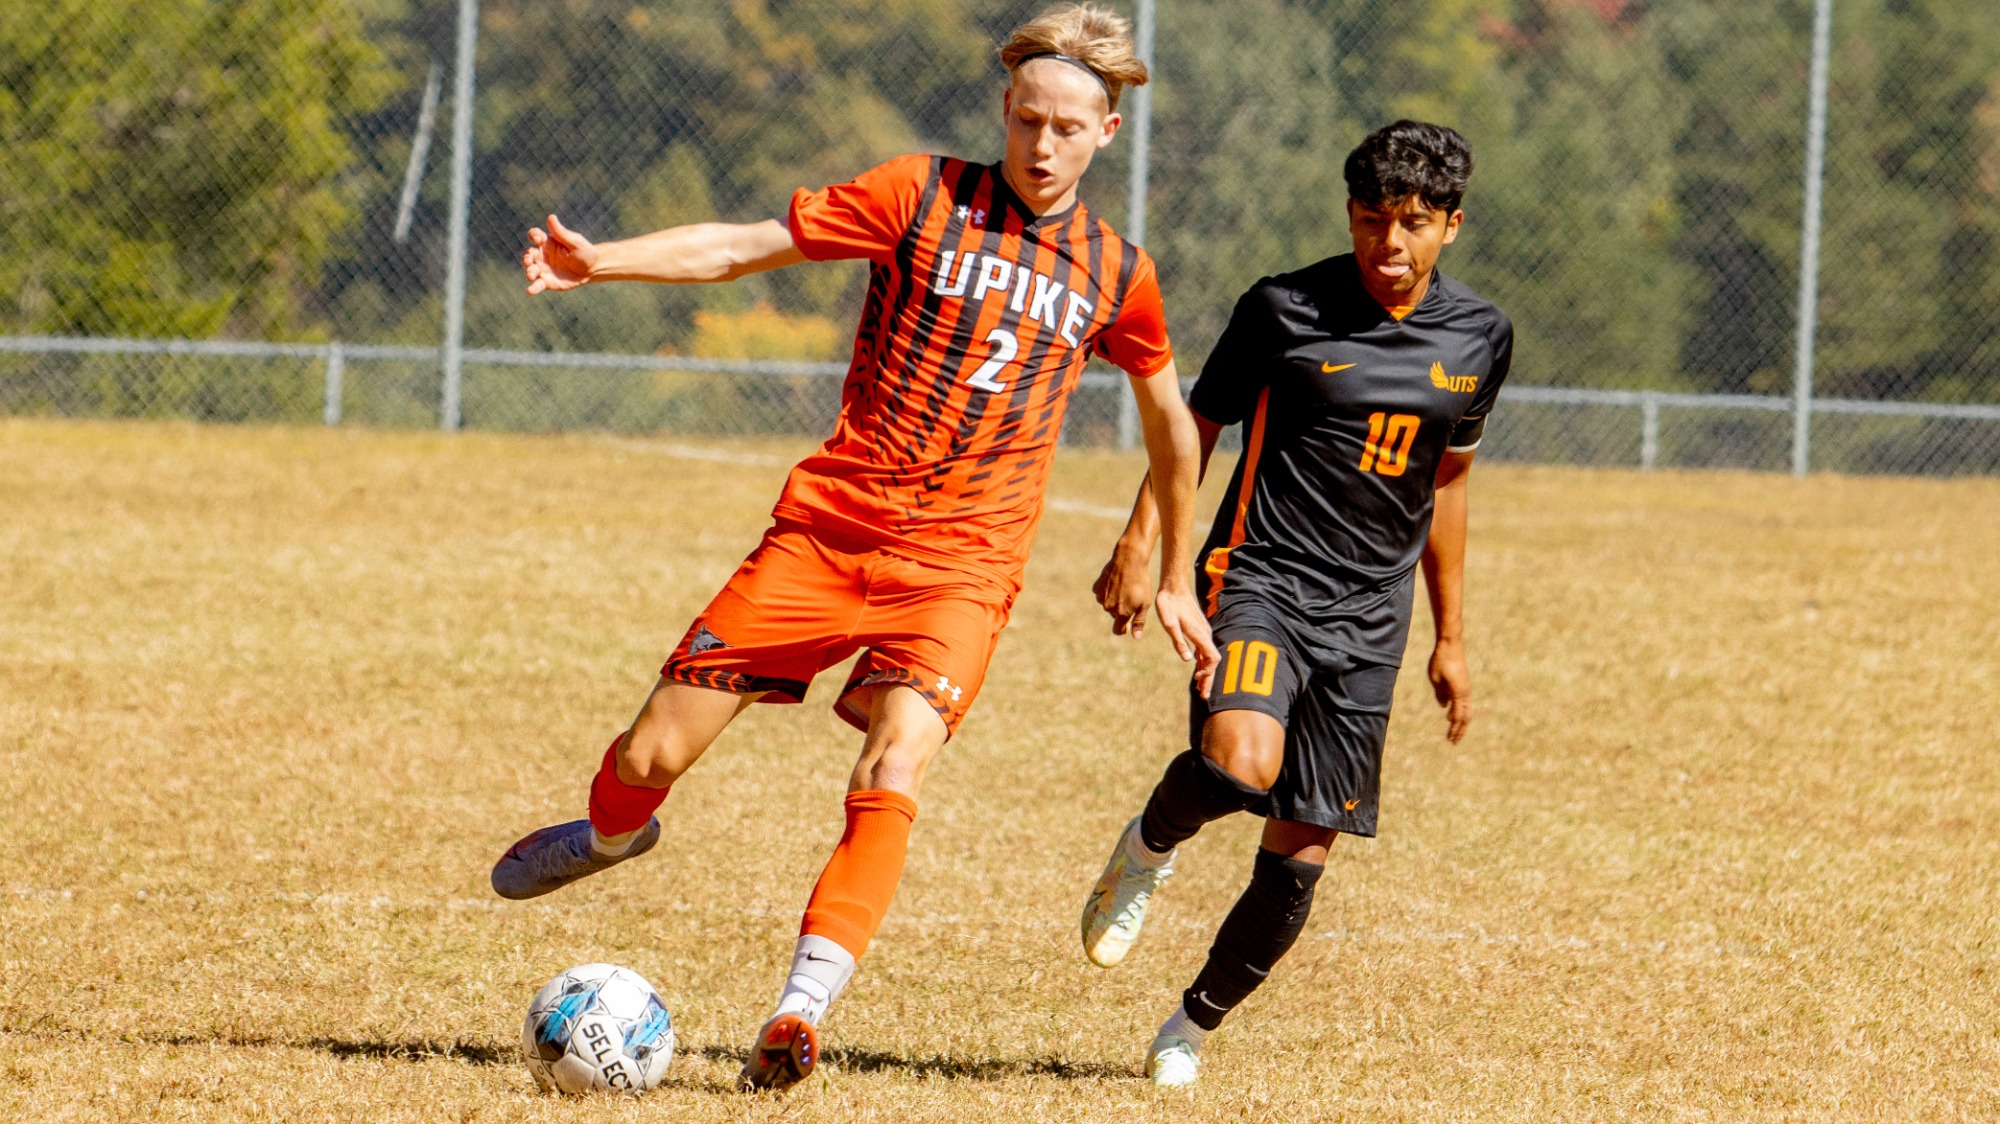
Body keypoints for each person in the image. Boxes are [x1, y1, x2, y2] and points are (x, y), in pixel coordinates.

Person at [492, 3, 1218, 1093]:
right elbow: (746, 246)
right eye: (1027, 118)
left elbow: (1169, 422)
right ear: (1005, 110)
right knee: (647, 758)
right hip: (825, 535)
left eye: (1068, 127)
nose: (1042, 143)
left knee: (893, 763)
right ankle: (606, 837)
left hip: (961, 568)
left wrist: (1170, 568)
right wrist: (602, 264)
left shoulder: (1118, 272)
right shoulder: (917, 194)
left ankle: (799, 1008)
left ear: (1106, 133)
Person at [1076, 120, 1513, 1088]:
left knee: (1302, 849)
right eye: (1368, 220)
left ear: (1450, 225)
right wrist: (1141, 542)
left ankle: (1186, 1025)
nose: (1385, 246)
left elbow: (1447, 483)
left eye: (1409, 224)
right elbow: (1191, 424)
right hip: (1260, 578)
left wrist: (1451, 637)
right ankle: (1147, 846)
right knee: (1239, 761)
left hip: (1369, 617)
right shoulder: (1282, 308)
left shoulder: (1479, 335)